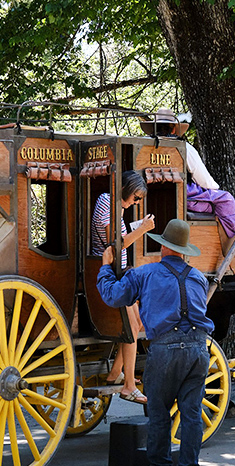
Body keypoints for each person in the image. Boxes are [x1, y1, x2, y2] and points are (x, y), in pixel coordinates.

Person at [97, 219, 214, 466]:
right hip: (198, 349)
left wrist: (105, 267)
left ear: (163, 248)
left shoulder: (146, 274)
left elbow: (113, 296)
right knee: (192, 413)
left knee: (159, 412)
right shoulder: (198, 277)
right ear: (184, 250)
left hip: (165, 349)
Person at [90, 169, 155, 404]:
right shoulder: (107, 203)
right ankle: (128, 386)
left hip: (121, 275)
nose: (135, 202)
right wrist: (142, 230)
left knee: (135, 325)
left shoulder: (114, 207)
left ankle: (116, 373)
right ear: (126, 190)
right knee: (129, 329)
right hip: (114, 277)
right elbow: (115, 246)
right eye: (135, 198)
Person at [140, 108, 235, 239]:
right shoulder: (185, 147)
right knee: (226, 200)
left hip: (146, 196)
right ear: (174, 129)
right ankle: (233, 240)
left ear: (153, 128)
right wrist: (214, 188)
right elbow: (204, 181)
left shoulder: (142, 145)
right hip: (182, 197)